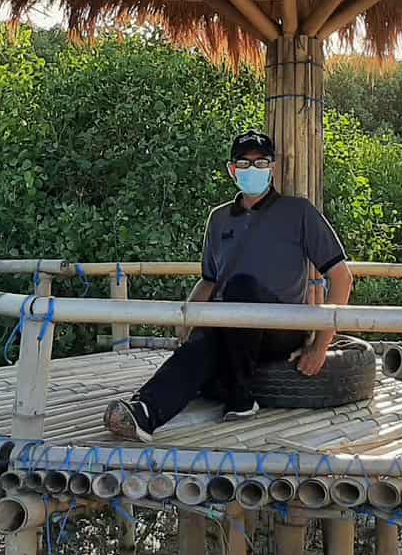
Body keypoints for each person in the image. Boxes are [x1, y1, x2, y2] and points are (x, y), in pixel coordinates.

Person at [103, 130, 352, 444]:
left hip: (282, 330)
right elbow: (209, 280)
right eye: (244, 163)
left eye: (260, 162)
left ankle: (239, 395)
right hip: (229, 325)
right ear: (232, 170)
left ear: (272, 167)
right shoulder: (219, 219)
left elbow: (341, 277)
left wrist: (320, 346)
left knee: (239, 288)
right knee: (203, 340)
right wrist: (187, 321)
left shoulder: (299, 212)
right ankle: (144, 412)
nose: (252, 169)